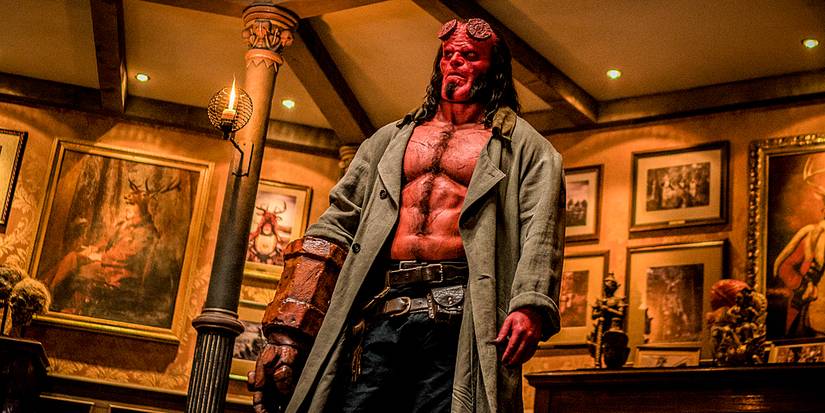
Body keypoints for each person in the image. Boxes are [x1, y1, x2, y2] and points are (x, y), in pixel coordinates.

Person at [249, 18, 565, 413]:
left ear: (495, 68)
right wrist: (288, 328)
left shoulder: (527, 148)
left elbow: (541, 231)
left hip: (460, 318)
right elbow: (335, 225)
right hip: (381, 310)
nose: (456, 62)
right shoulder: (387, 141)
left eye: (470, 55)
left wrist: (530, 304)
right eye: (449, 55)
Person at [41, 181, 162, 314]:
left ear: (142, 208)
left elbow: (128, 255)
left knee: (78, 266)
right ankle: (45, 289)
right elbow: (107, 239)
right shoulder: (124, 225)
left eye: (132, 204)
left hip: (120, 273)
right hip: (107, 265)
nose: (127, 208)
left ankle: (48, 296)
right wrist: (93, 248)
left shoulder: (147, 231)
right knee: (72, 257)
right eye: (127, 204)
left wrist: (101, 256)